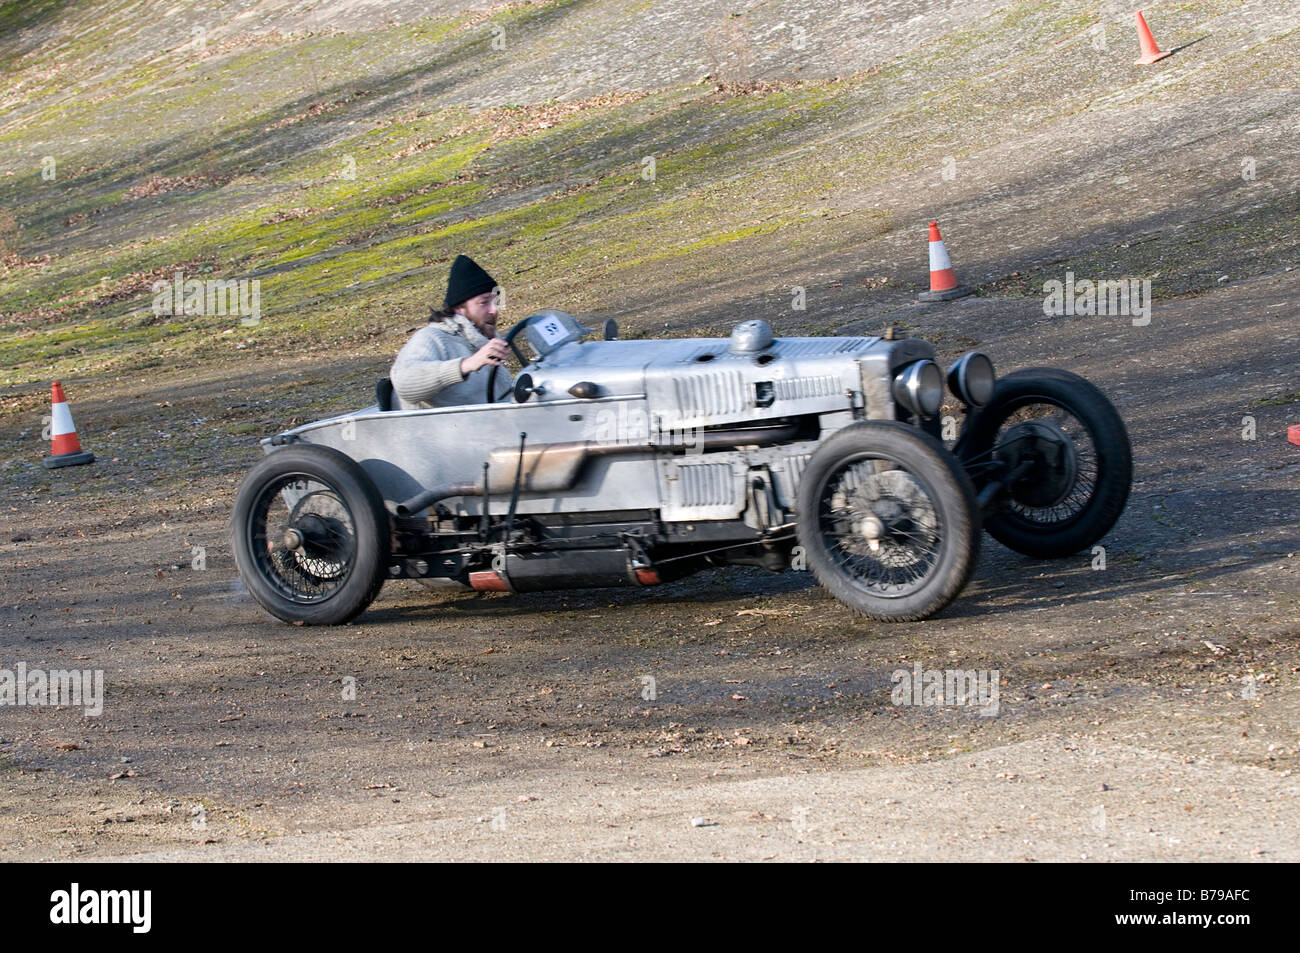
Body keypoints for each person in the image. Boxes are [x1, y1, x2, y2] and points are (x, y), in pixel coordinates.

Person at [390, 255, 512, 408]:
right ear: (459, 308)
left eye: (496, 301)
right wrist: (464, 366)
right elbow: (404, 383)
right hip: (440, 430)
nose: (494, 310)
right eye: (484, 302)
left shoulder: (482, 342)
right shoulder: (431, 338)